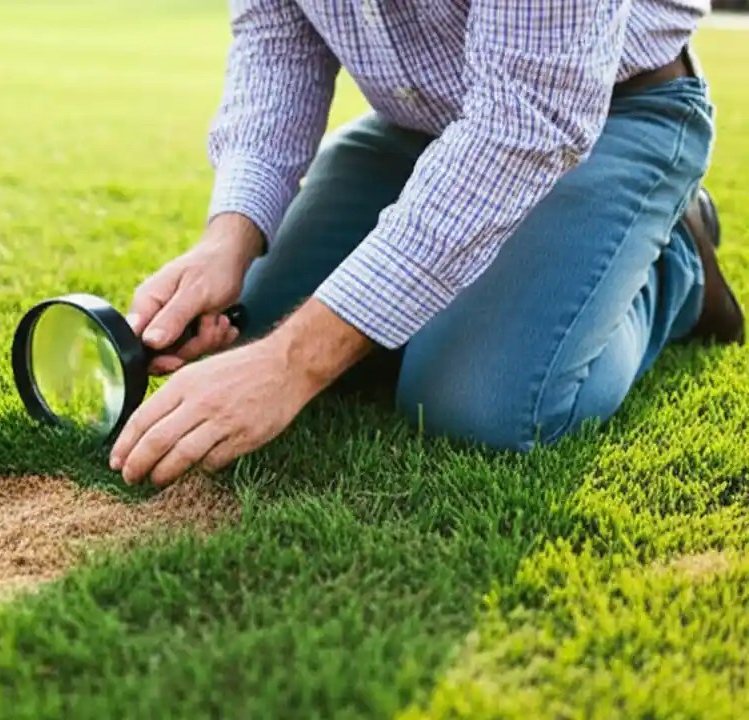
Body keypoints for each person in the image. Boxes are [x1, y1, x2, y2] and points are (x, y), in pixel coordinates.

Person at [108, 1, 745, 487]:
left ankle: (673, 264)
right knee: (258, 314)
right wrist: (231, 236)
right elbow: (277, 43)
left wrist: (291, 364)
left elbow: (526, 121)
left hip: (600, 114)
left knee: (478, 405)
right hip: (423, 127)